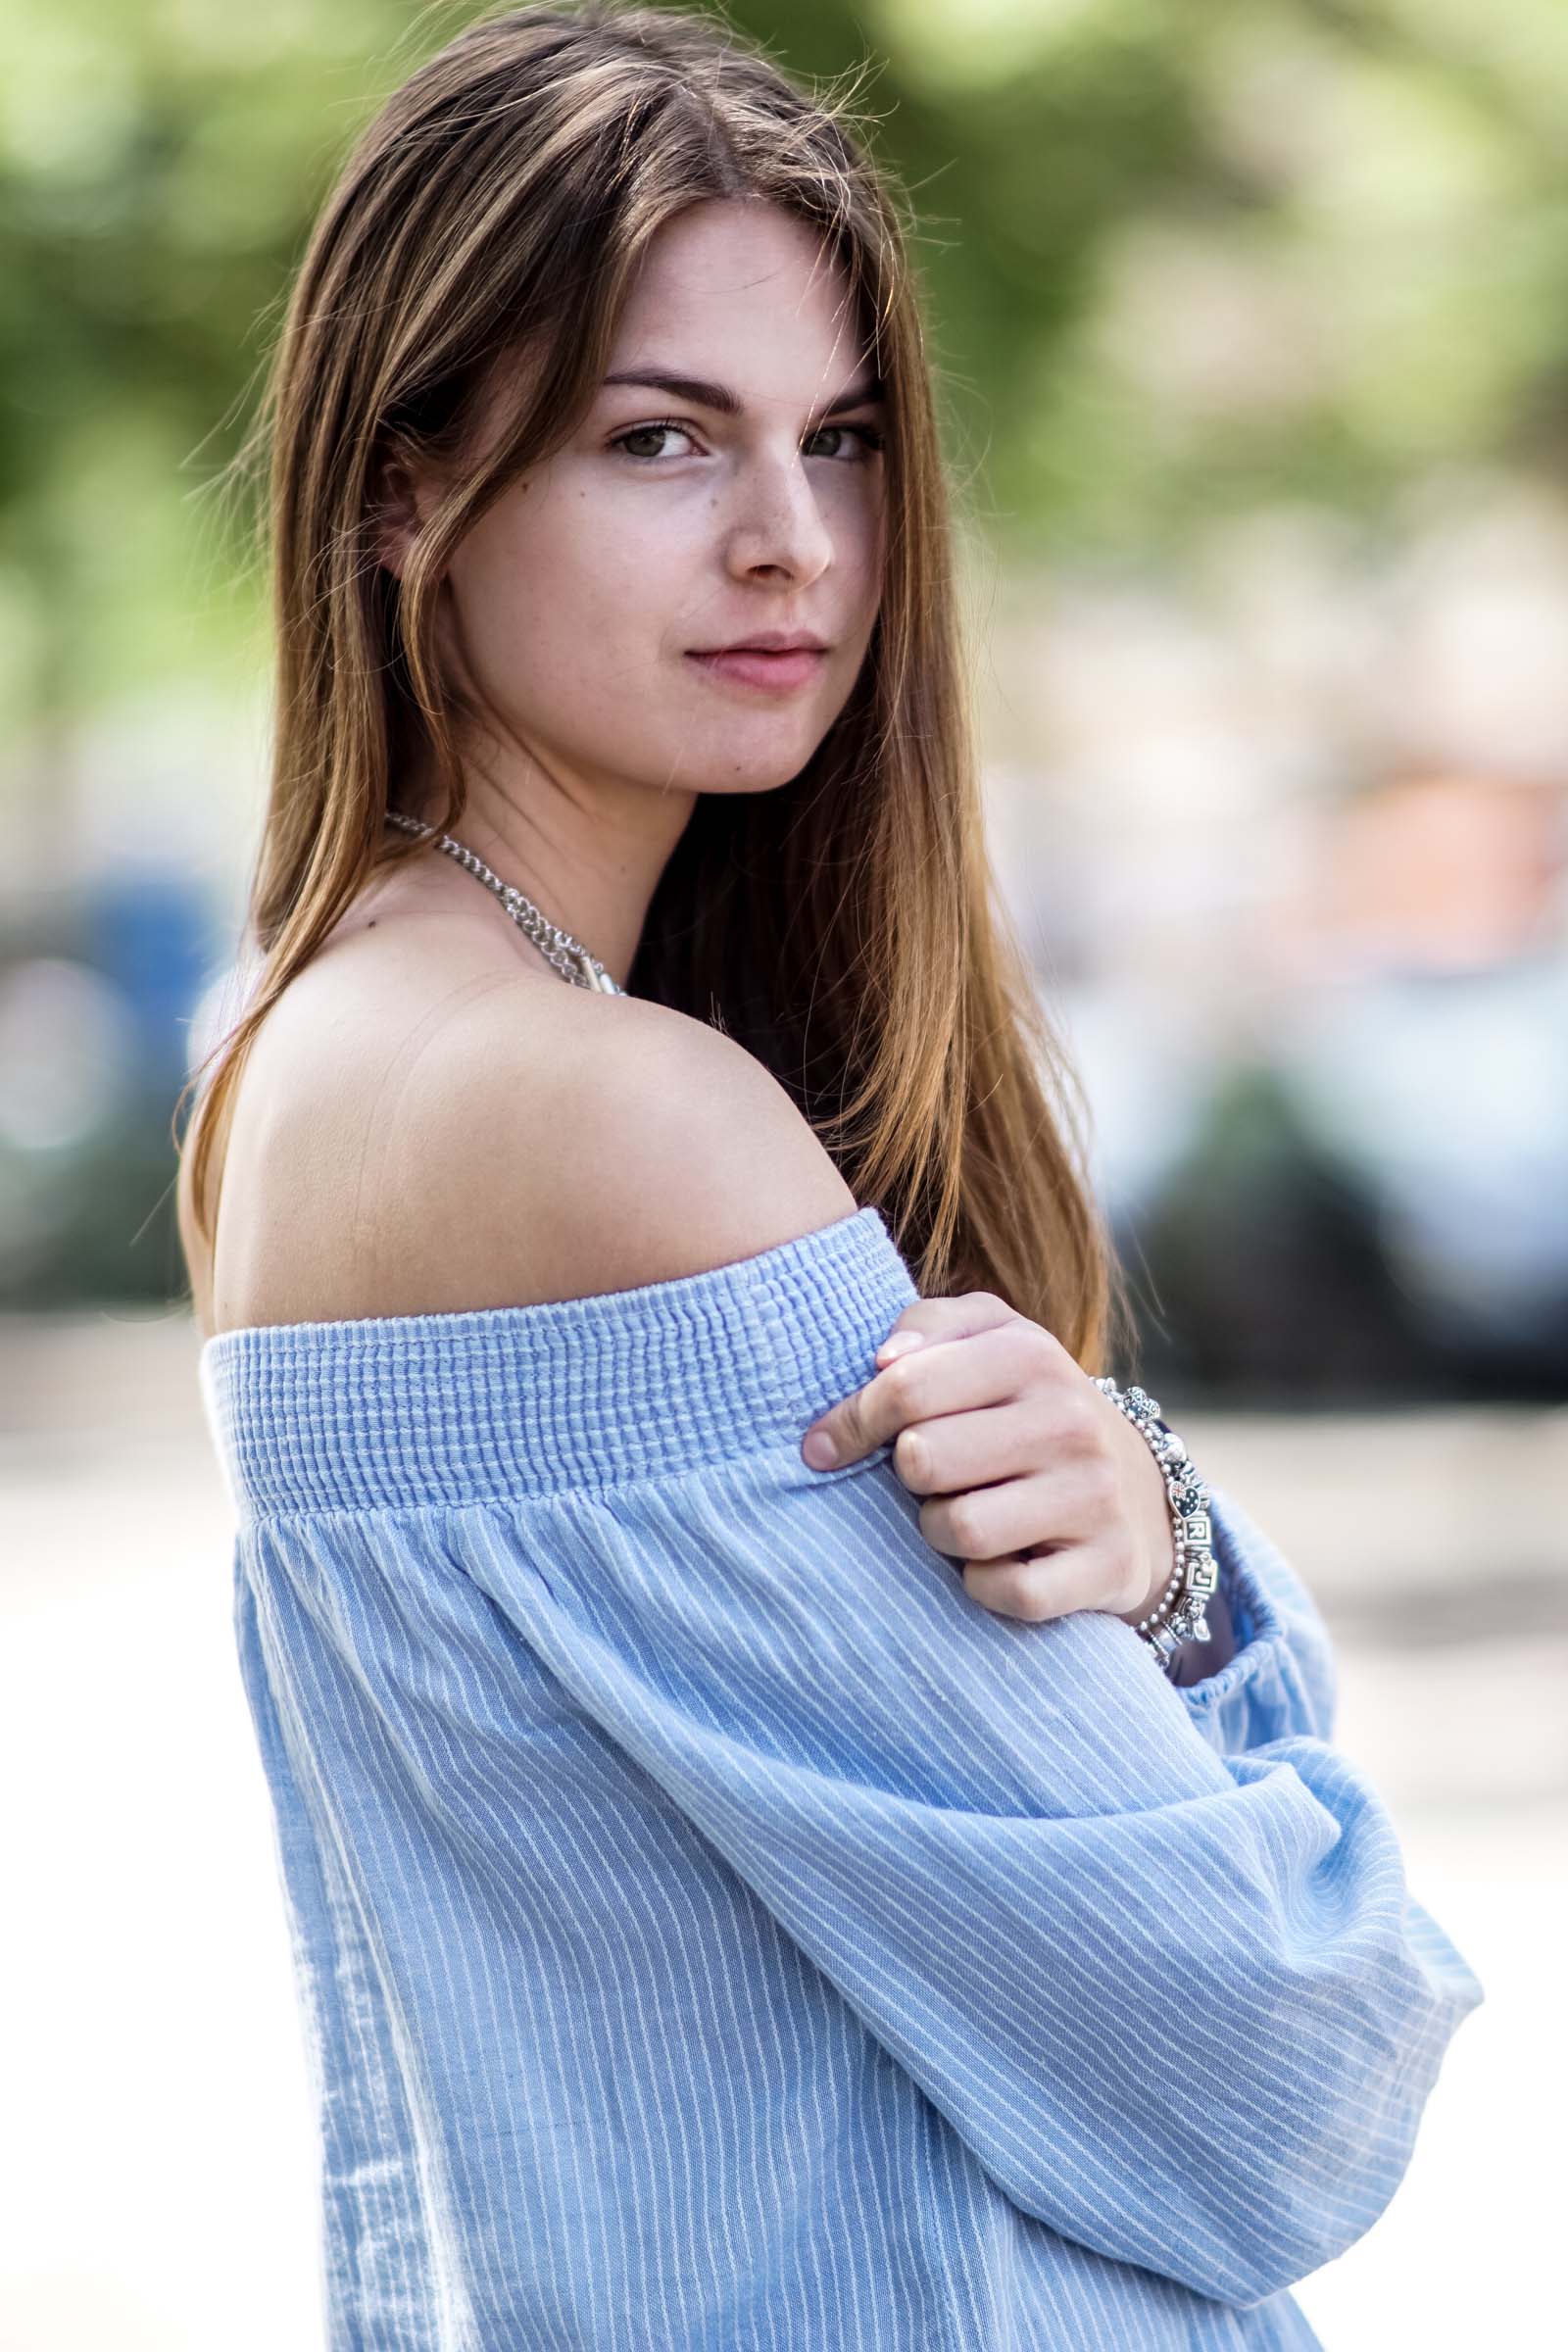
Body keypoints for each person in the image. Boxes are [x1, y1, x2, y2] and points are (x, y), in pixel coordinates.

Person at [175, 6, 1482, 2345]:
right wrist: (1187, 1577)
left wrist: (1140, 1518)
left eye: (842, 439)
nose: (792, 542)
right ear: (398, 492)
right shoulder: (603, 1109)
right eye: (657, 439)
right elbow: (1270, 2071)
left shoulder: (291, 1058)